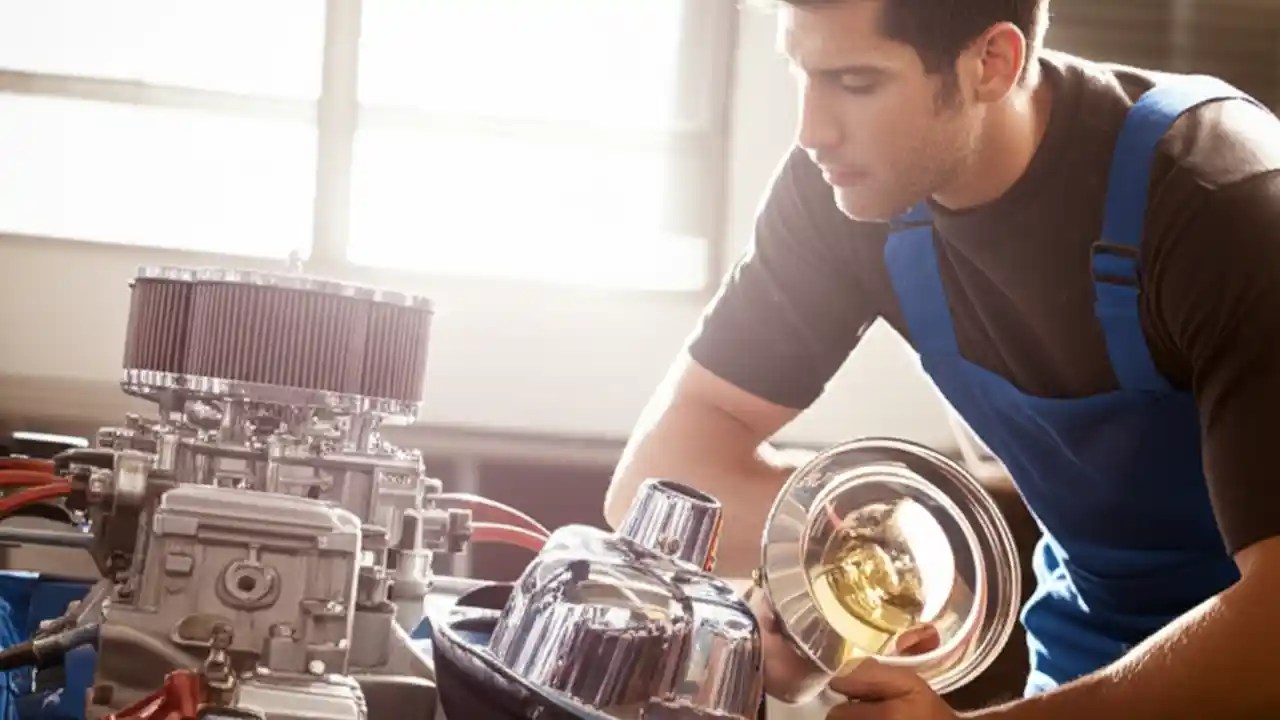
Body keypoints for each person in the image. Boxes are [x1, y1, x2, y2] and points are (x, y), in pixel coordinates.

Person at [604, 0, 1280, 717]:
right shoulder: (848, 191)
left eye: (856, 83)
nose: (812, 130)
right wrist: (840, 567)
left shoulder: (1223, 204)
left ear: (992, 62)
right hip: (1084, 658)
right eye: (802, 71)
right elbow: (654, 484)